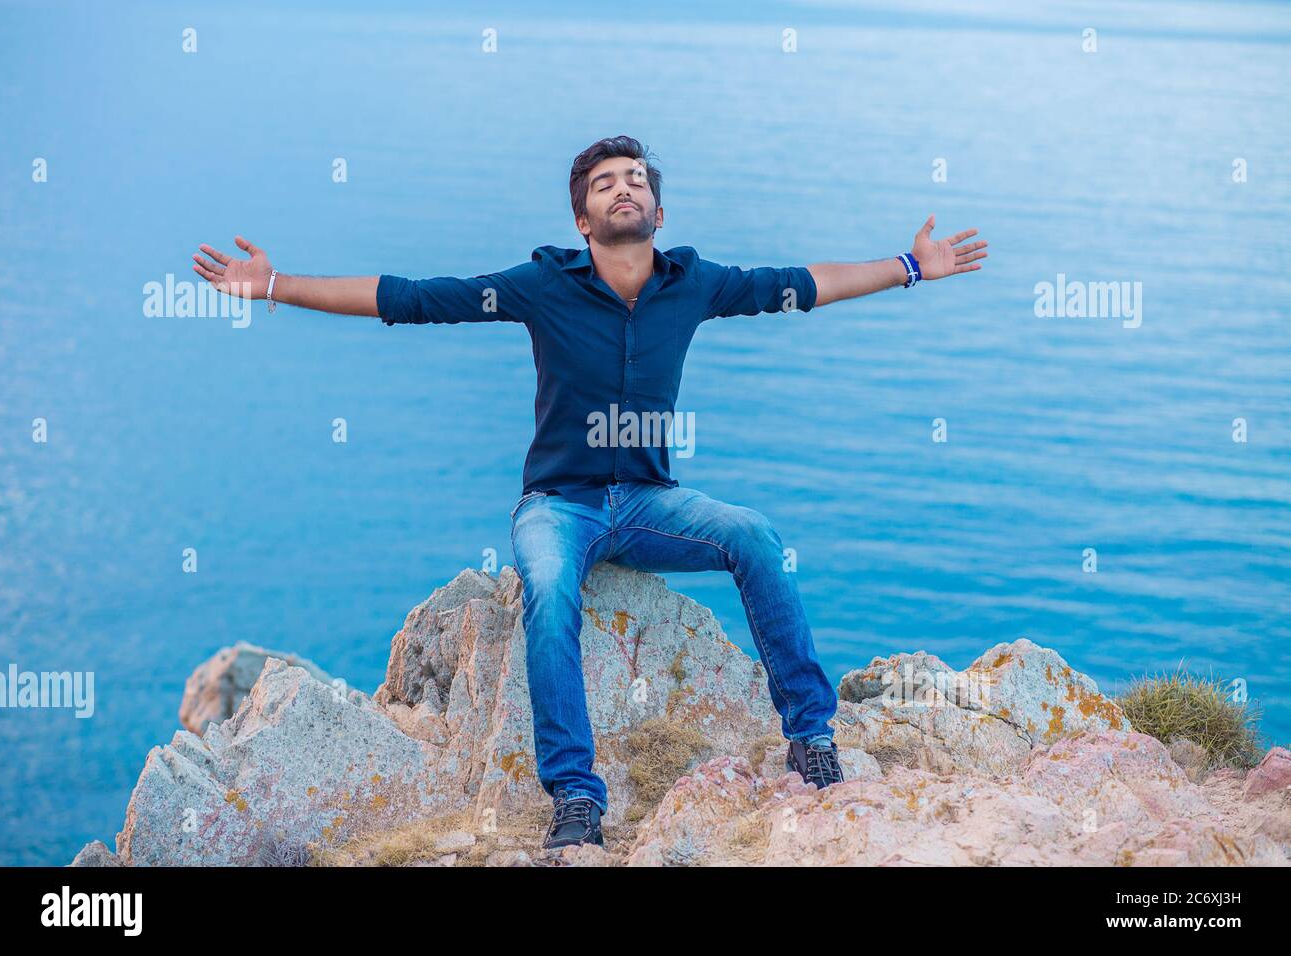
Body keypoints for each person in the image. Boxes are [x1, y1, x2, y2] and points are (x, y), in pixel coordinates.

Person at [192, 135, 987, 850]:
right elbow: (410, 298)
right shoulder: (542, 284)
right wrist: (274, 286)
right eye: (605, 182)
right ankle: (575, 795)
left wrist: (913, 266)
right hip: (559, 505)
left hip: (649, 502)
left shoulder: (693, 283)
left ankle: (811, 738)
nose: (623, 188)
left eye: (635, 179)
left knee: (753, 534)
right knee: (547, 585)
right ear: (583, 219)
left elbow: (801, 284)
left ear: (659, 208)